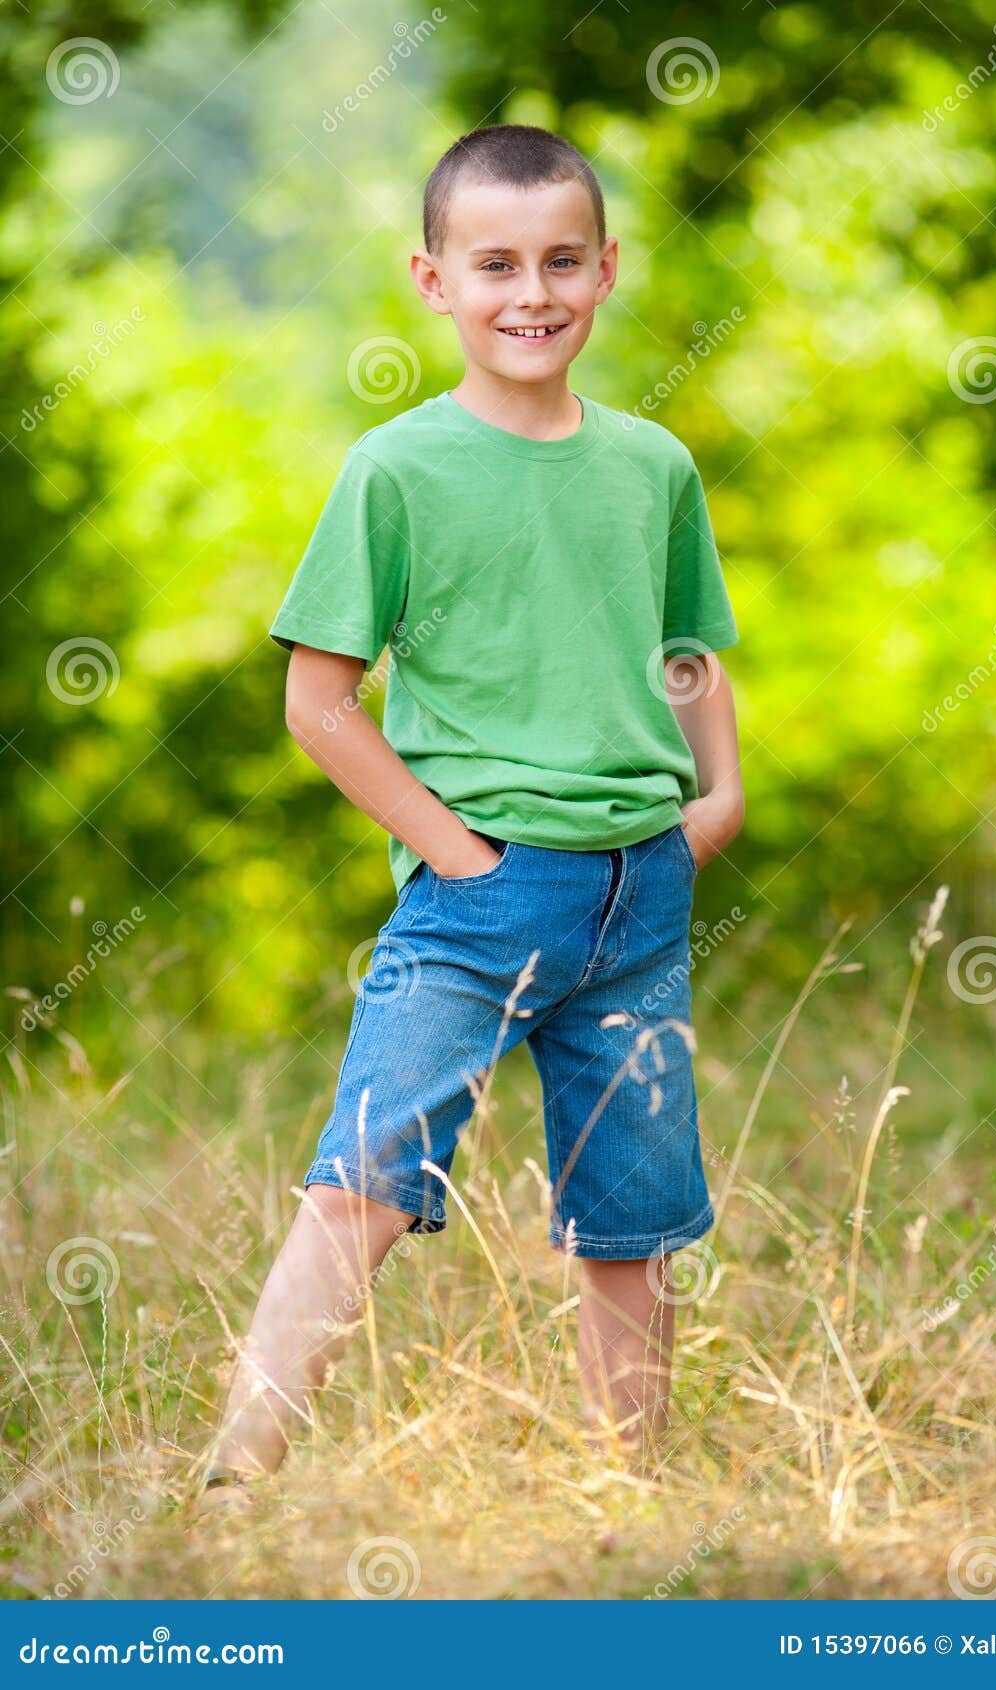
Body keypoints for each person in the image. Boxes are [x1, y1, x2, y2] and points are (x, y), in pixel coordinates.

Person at [193, 123, 744, 1516]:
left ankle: (634, 1498)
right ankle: (228, 1482)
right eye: (496, 263)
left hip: (640, 895)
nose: (532, 292)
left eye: (562, 259)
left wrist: (714, 797)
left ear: (606, 269)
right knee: (366, 1177)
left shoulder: (651, 465)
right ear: (434, 279)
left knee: (630, 1218)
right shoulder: (397, 470)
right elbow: (321, 703)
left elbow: (688, 649)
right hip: (481, 893)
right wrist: (457, 855)